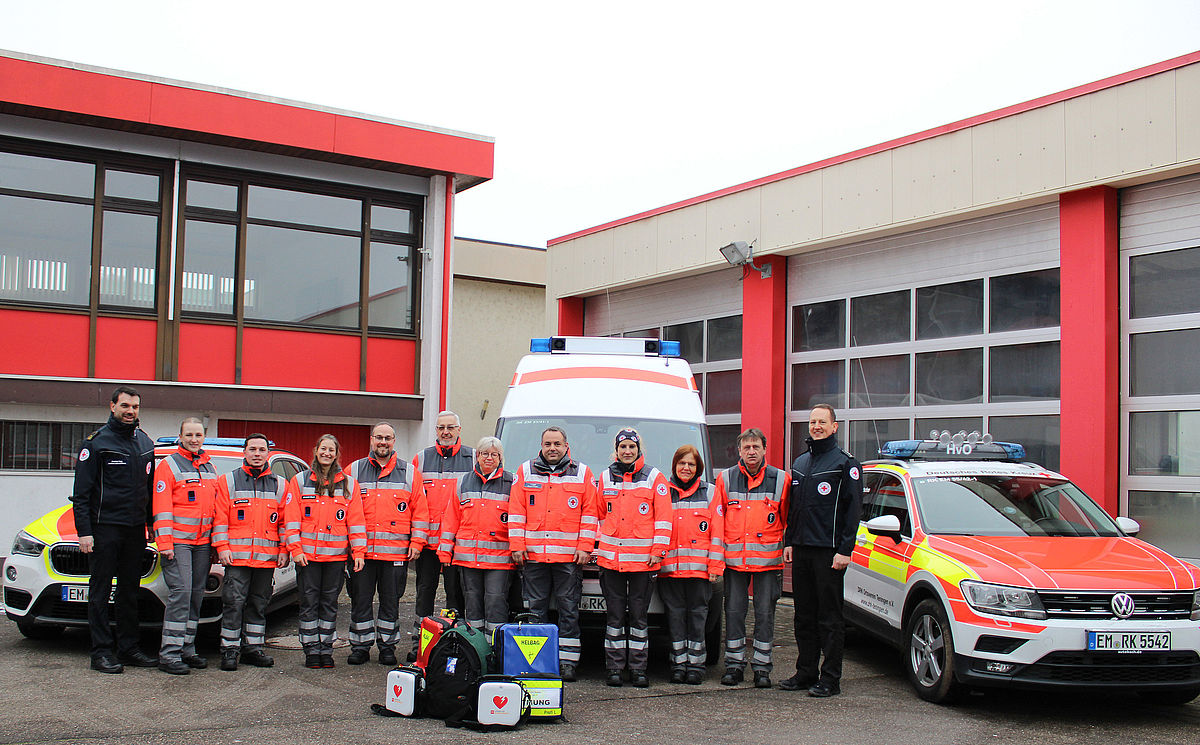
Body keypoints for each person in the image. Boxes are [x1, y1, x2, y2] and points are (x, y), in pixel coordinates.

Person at [70, 385, 158, 674]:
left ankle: (129, 648)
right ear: (112, 407)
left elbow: (148, 491)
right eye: (125, 406)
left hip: (134, 531)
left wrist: (150, 526)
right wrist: (84, 531)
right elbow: (82, 493)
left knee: (129, 592)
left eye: (134, 407)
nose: (130, 411)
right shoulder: (96, 443)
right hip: (104, 528)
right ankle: (101, 652)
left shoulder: (145, 443)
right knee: (100, 592)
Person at [781, 404, 863, 697]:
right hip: (802, 550)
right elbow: (794, 509)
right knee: (803, 616)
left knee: (829, 618)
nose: (816, 426)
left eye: (822, 422)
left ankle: (830, 679)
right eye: (813, 421)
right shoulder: (801, 463)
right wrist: (789, 541)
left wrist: (845, 550)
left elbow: (853, 511)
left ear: (834, 426)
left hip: (829, 554)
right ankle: (805, 672)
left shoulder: (846, 464)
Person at [508, 426, 600, 682]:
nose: (552, 448)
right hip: (534, 557)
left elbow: (590, 514)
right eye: (548, 443)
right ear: (541, 445)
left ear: (566, 445)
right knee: (535, 610)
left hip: (569, 559)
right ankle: (537, 661)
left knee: (568, 609)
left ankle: (568, 662)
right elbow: (516, 512)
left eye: (557, 443)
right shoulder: (525, 472)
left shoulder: (582, 473)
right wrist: (517, 545)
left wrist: (585, 546)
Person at [344, 422, 429, 666]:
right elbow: (343, 508)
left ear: (394, 442)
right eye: (379, 437)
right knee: (360, 600)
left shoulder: (409, 472)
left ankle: (387, 646)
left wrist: (417, 543)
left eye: (388, 438)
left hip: (395, 554)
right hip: (362, 554)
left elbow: (420, 512)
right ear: (371, 440)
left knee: (391, 602)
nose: (383, 442)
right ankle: (360, 646)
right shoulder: (354, 470)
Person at [595, 428, 672, 688]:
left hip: (642, 562)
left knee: (639, 618)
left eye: (631, 447)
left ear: (639, 450)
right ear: (615, 450)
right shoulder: (605, 478)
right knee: (614, 618)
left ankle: (639, 669)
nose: (627, 451)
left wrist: (657, 552)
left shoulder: (654, 478)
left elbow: (663, 519)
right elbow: (598, 516)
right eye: (622, 447)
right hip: (611, 562)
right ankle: (614, 668)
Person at [283, 434, 366, 669]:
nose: (327, 453)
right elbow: (291, 520)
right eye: (323, 449)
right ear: (316, 450)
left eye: (331, 450)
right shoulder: (299, 482)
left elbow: (356, 521)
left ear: (336, 453)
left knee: (329, 604)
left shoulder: (348, 484)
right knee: (309, 603)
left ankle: (326, 649)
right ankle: (311, 650)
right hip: (307, 558)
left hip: (336, 558)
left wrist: (358, 552)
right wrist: (295, 549)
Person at [717, 427, 789, 689]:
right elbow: (718, 521)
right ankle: (734, 666)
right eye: (746, 447)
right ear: (739, 450)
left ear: (764, 449)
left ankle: (762, 668)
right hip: (734, 563)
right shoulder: (725, 479)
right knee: (734, 613)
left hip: (768, 564)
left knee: (765, 615)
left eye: (755, 447)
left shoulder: (781, 480)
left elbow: (787, 519)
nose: (751, 452)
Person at [211, 433, 289, 671]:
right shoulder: (228, 482)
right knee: (233, 603)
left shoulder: (280, 484)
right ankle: (229, 650)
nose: (257, 454)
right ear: (244, 452)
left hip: (266, 560)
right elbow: (220, 518)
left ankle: (253, 649)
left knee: (258, 603)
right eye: (252, 449)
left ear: (268, 453)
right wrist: (222, 548)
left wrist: (284, 549)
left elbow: (286, 522)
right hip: (237, 558)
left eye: (261, 450)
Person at [152, 417, 220, 675]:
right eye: (189, 435)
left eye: (198, 435)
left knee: (195, 595)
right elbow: (161, 508)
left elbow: (214, 509)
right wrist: (165, 543)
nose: (194, 439)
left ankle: (187, 649)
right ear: (180, 436)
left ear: (204, 437)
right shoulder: (168, 466)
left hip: (202, 544)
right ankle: (169, 654)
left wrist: (214, 543)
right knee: (180, 594)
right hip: (178, 543)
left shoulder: (209, 466)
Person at [437, 437, 516, 637]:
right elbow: (451, 518)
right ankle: (475, 644)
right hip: (468, 559)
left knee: (495, 601)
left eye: (494, 454)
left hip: (499, 561)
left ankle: (495, 646)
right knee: (471, 602)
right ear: (477, 456)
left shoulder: (512, 483)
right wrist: (445, 550)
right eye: (484, 454)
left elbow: (518, 520)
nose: (489, 458)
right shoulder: (463, 482)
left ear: (500, 457)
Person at [659, 444, 724, 685]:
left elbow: (718, 533)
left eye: (691, 464)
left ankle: (695, 666)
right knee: (675, 618)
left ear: (698, 468)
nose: (686, 468)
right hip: (670, 571)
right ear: (675, 465)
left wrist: (715, 567)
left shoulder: (710, 493)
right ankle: (677, 665)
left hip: (700, 572)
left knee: (698, 618)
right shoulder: (663, 491)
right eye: (682, 463)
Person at [409, 410, 472, 657]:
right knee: (424, 593)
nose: (445, 432)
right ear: (436, 431)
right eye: (441, 428)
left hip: (457, 544)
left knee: (455, 595)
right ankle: (420, 643)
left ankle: (453, 642)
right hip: (428, 544)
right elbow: (414, 502)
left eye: (450, 427)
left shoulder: (473, 458)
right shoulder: (421, 459)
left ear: (459, 430)